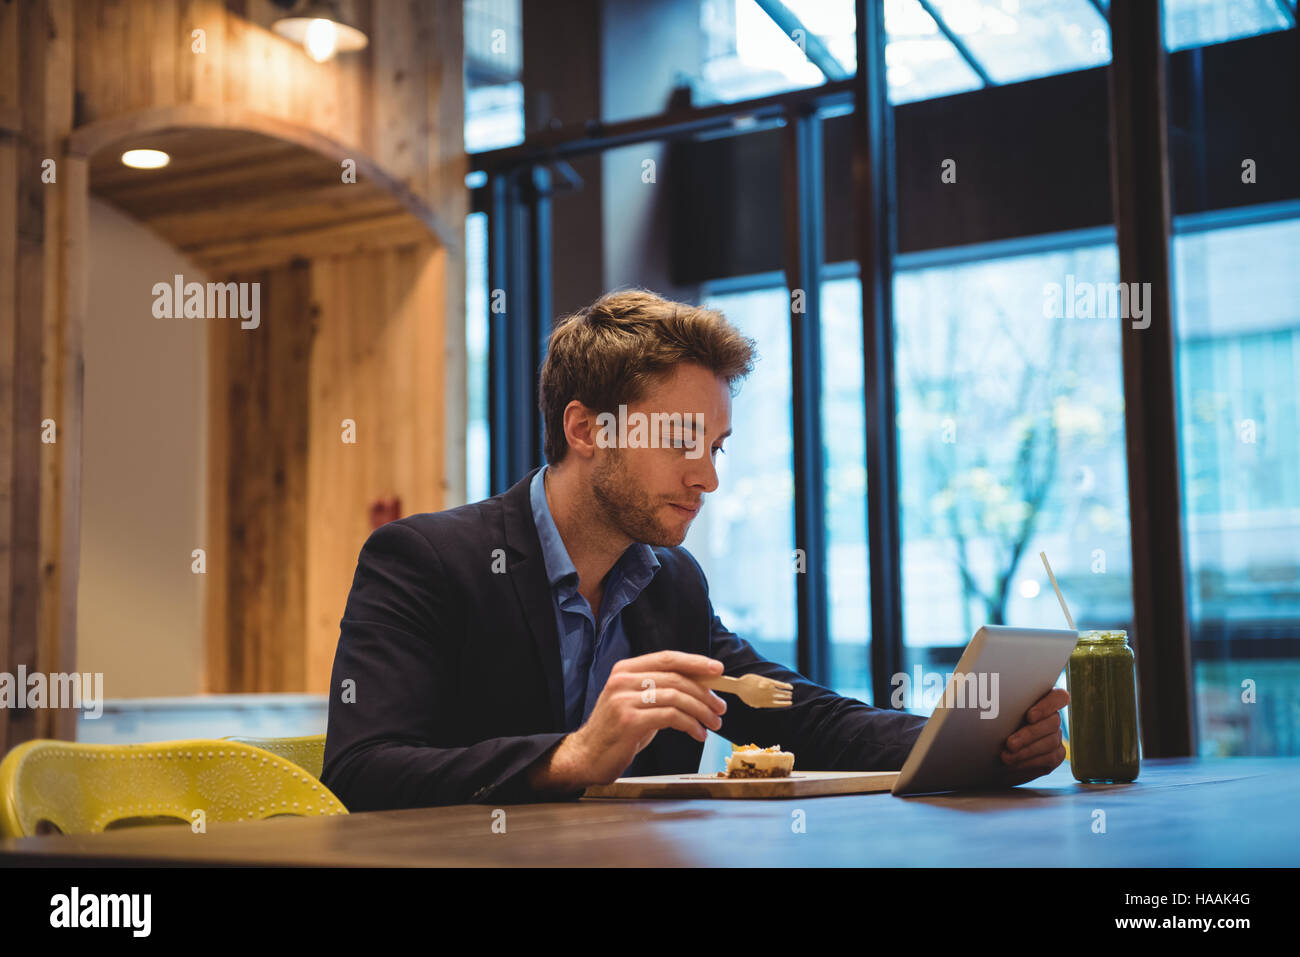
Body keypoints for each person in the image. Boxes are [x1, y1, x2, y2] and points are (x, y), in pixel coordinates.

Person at [321, 289, 1069, 811]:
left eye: (716, 446)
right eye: (681, 440)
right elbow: (361, 770)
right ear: (585, 429)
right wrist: (570, 757)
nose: (708, 477)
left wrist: (971, 739)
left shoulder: (670, 582)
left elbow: (797, 716)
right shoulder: (423, 560)